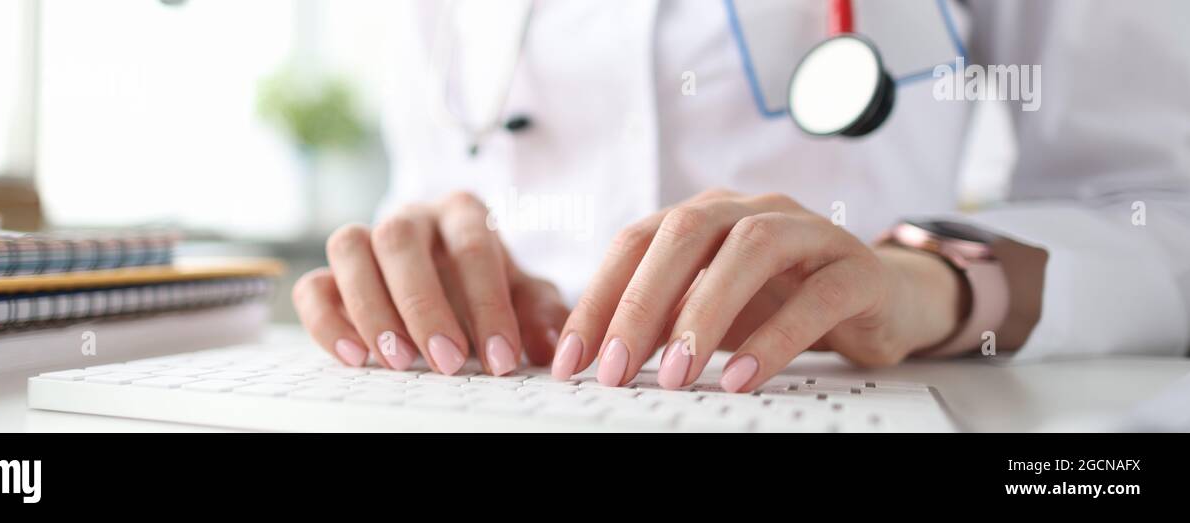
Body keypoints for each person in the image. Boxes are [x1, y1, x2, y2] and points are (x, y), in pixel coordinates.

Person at [292, 0, 1190, 393]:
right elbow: (445, 180)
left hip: (847, 391)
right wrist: (431, 272)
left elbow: (1161, 207)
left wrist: (932, 282)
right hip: (512, 392)